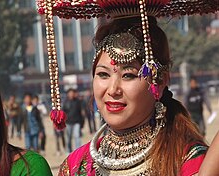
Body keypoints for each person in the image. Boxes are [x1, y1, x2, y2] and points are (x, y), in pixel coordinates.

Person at [58, 16, 207, 176]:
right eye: (103, 74)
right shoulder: (75, 164)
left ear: (160, 81)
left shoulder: (188, 160)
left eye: (128, 75)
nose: (113, 90)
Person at [0, 91, 53, 176]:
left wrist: (41, 130)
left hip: (35, 130)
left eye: (29, 98)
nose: (27, 100)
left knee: (34, 147)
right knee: (28, 145)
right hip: (27, 130)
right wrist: (19, 131)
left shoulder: (35, 109)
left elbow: (39, 121)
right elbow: (20, 121)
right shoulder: (23, 109)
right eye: (26, 98)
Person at [63, 88, 84, 153]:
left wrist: (82, 123)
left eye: (72, 93)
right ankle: (68, 151)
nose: (71, 94)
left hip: (76, 122)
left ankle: (78, 151)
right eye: (70, 93)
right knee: (68, 138)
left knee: (77, 136)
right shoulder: (65, 102)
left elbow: (81, 113)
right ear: (68, 94)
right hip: (68, 122)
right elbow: (63, 113)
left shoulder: (78, 102)